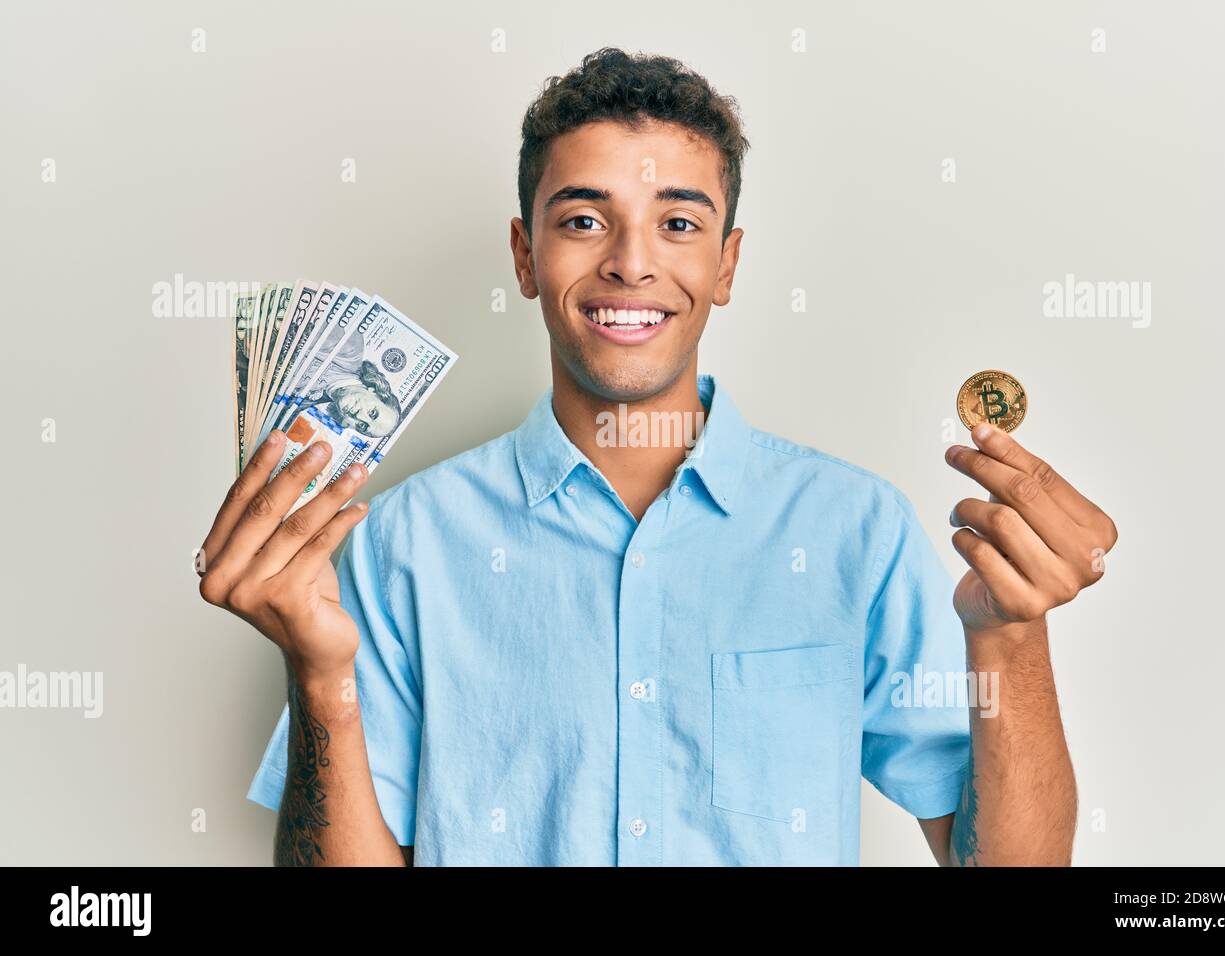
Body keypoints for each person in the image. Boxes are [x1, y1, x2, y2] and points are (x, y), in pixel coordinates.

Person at [197, 48, 1117, 866]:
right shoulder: (405, 543)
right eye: (584, 220)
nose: (631, 264)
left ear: (726, 263)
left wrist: (1009, 635)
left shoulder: (856, 531)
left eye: (678, 223)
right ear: (525, 256)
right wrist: (319, 680)